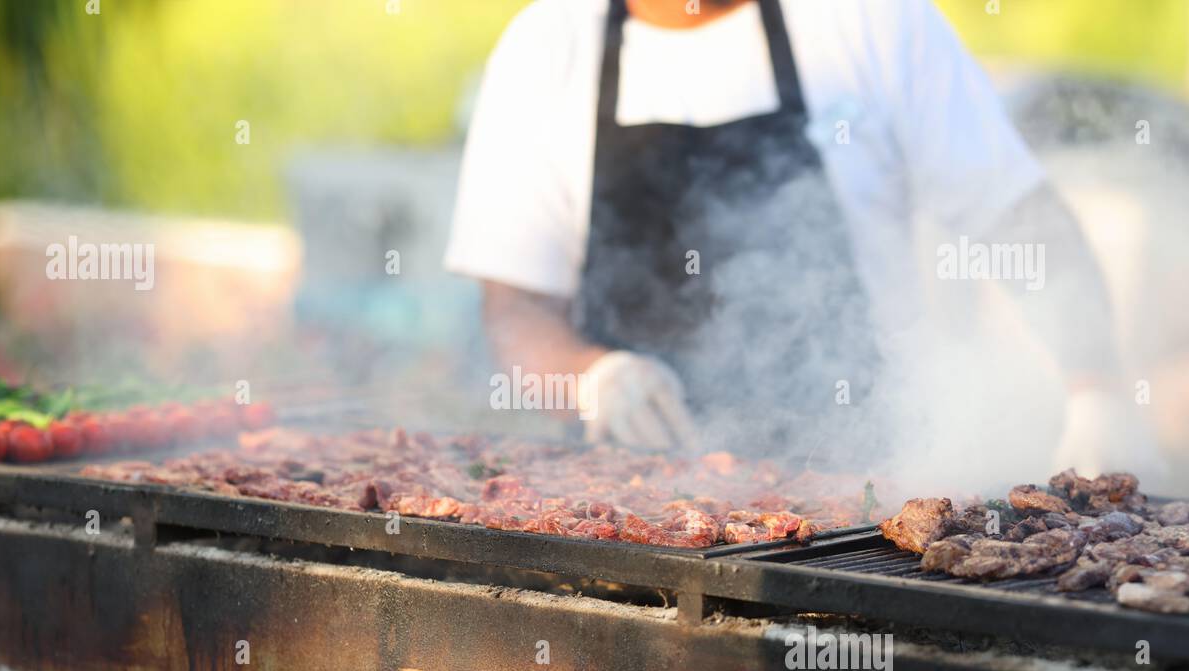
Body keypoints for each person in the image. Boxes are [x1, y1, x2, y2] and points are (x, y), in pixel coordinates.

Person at [446, 0, 1152, 476]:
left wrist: (1098, 388)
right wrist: (592, 378)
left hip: (864, 503)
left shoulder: (870, 18)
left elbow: (1020, 222)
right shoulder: (547, 43)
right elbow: (516, 308)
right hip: (626, 510)